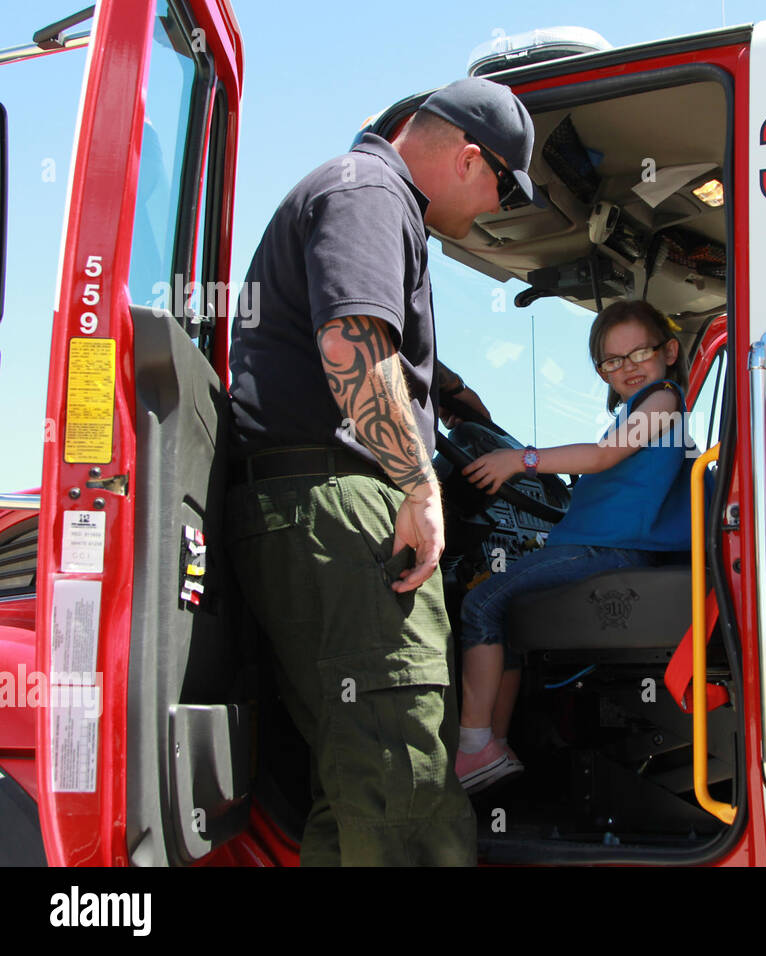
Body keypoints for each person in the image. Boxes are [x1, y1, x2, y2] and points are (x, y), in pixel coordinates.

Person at [224, 77, 542, 866]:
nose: (494, 209)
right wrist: (420, 485)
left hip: (316, 504)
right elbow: (352, 345)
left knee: (360, 785)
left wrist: (453, 404)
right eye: (503, 185)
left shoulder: (358, 192)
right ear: (473, 159)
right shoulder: (371, 191)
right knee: (402, 783)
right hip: (343, 505)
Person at [453, 300, 696, 792]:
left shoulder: (663, 401)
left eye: (639, 353)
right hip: (605, 546)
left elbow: (603, 457)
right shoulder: (639, 409)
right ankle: (491, 749)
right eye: (611, 360)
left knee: (480, 602)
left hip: (609, 551)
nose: (626, 367)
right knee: (508, 614)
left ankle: (473, 743)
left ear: (670, 351)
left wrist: (517, 460)